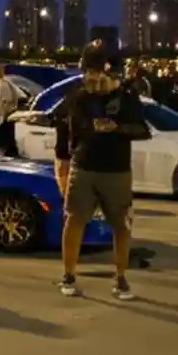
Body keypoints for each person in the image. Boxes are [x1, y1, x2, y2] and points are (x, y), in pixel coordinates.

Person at [60, 45, 151, 300]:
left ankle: (121, 279)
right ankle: (68, 275)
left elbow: (142, 130)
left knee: (121, 225)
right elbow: (69, 126)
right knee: (74, 220)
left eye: (97, 69)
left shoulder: (125, 95)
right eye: (89, 69)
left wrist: (117, 127)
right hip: (84, 165)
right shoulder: (78, 94)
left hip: (117, 169)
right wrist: (65, 158)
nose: (93, 75)